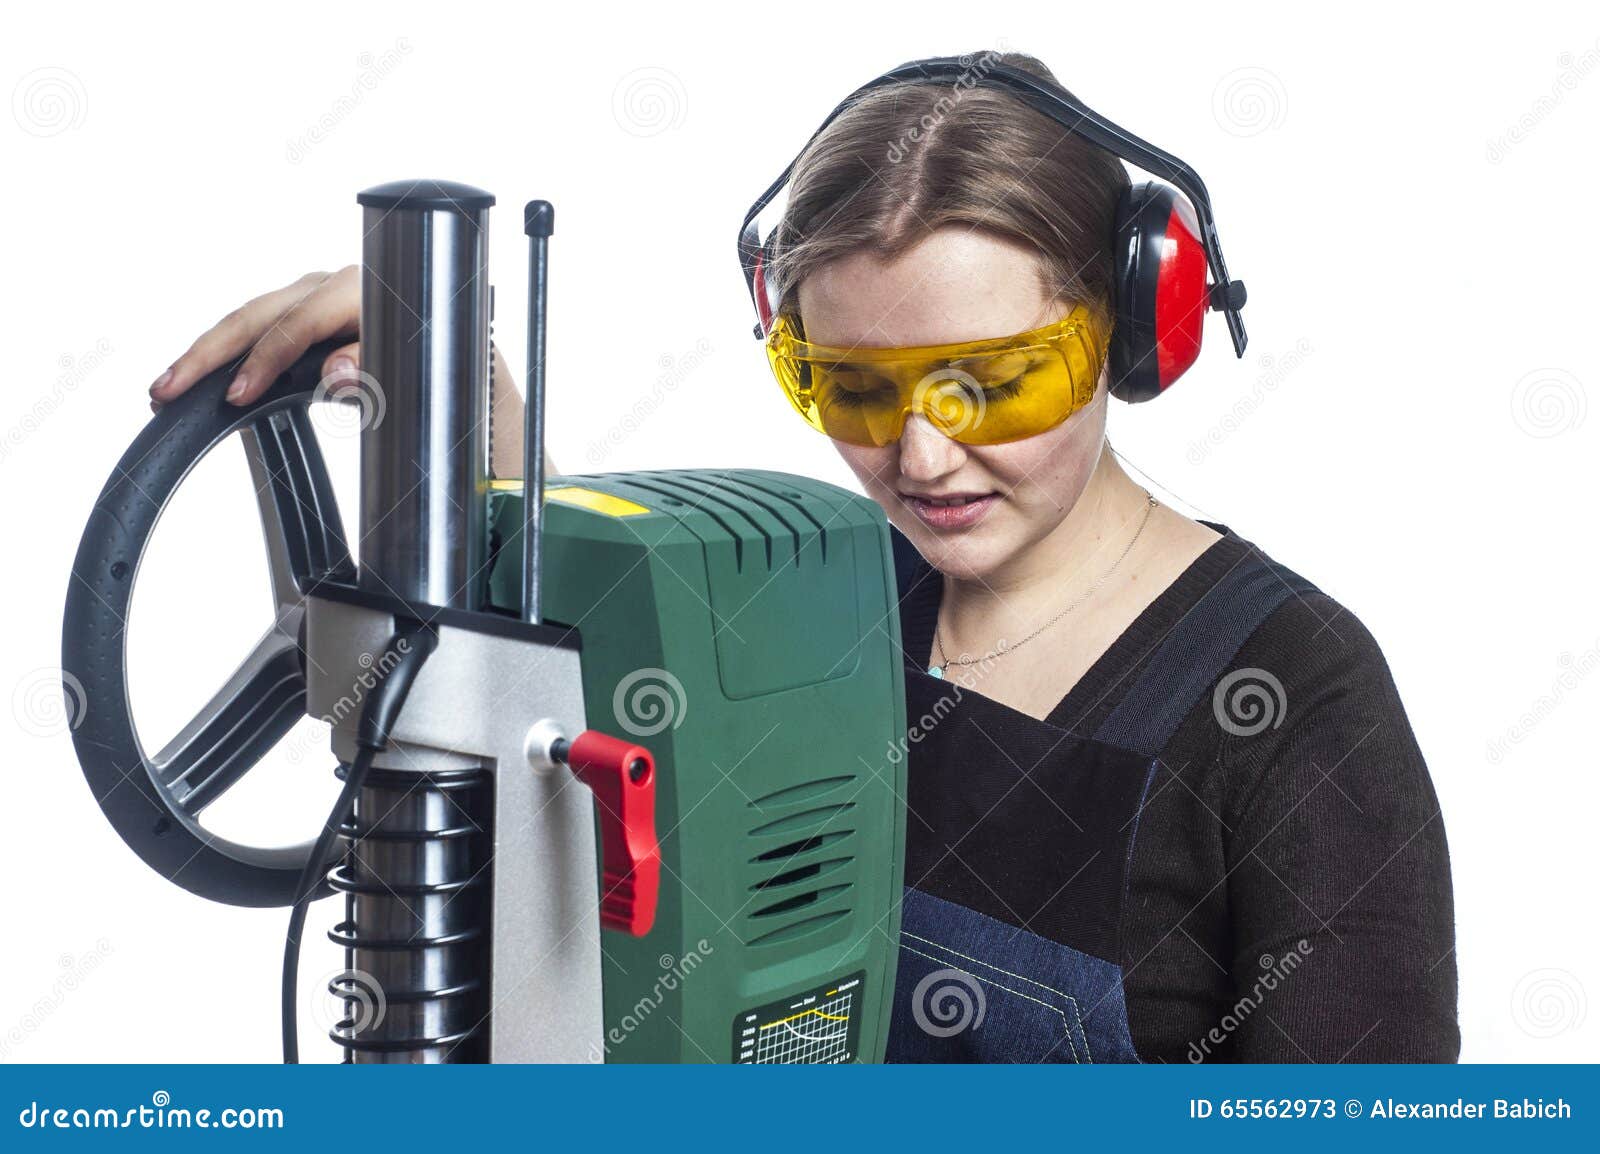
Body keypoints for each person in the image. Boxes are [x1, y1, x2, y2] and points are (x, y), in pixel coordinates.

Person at [147, 51, 1458, 1063]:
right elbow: (581, 726)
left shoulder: (1292, 702)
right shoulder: (818, 599)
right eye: (855, 388)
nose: (922, 458)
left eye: (993, 382)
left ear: (1132, 327)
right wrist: (459, 404)